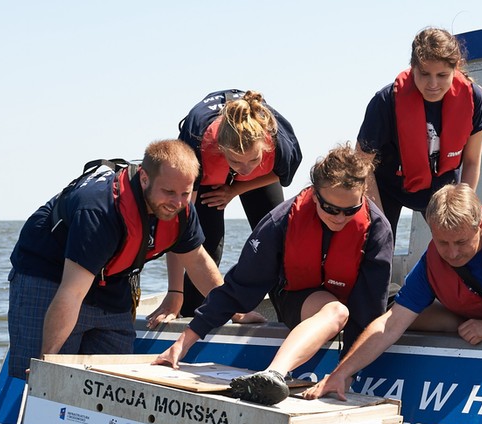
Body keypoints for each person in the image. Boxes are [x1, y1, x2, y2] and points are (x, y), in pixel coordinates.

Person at [303, 183, 482, 401]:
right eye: (443, 243)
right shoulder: (432, 263)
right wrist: (340, 373)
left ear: (480, 225)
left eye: (461, 242)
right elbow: (390, 325)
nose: (453, 253)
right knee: (400, 314)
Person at [152, 144, 394, 406]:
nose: (340, 218)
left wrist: (345, 373)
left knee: (370, 311)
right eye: (331, 209)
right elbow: (238, 287)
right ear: (314, 195)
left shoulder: (377, 230)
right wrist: (184, 342)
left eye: (350, 211)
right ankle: (273, 374)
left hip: (351, 305)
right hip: (296, 298)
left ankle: (276, 375)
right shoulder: (281, 221)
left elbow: (370, 310)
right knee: (336, 311)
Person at [7, 140, 229, 380]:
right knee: (45, 377)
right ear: (144, 178)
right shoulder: (99, 210)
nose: (177, 202)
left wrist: (233, 309)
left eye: (185, 193)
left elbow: (197, 261)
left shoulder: (181, 209)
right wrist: (46, 361)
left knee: (114, 378)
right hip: (50, 275)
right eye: (169, 192)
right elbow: (71, 293)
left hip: (111, 282)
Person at [168, 89, 303, 317]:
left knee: (277, 241)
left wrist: (235, 189)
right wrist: (174, 292)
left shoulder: (281, 142)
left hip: (259, 176)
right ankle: (190, 314)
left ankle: (288, 315)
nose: (245, 168)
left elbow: (281, 173)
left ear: (266, 145)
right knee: (208, 244)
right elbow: (178, 223)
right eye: (236, 161)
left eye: (253, 159)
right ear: (221, 149)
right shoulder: (197, 145)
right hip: (208, 172)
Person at [357, 27, 482, 238]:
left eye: (442, 75)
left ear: (455, 68)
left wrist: (464, 206)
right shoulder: (384, 101)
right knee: (378, 241)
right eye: (425, 74)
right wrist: (378, 219)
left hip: (443, 187)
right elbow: (362, 163)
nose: (433, 84)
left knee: (459, 244)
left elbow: (472, 162)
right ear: (412, 68)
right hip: (388, 187)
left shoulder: (473, 98)